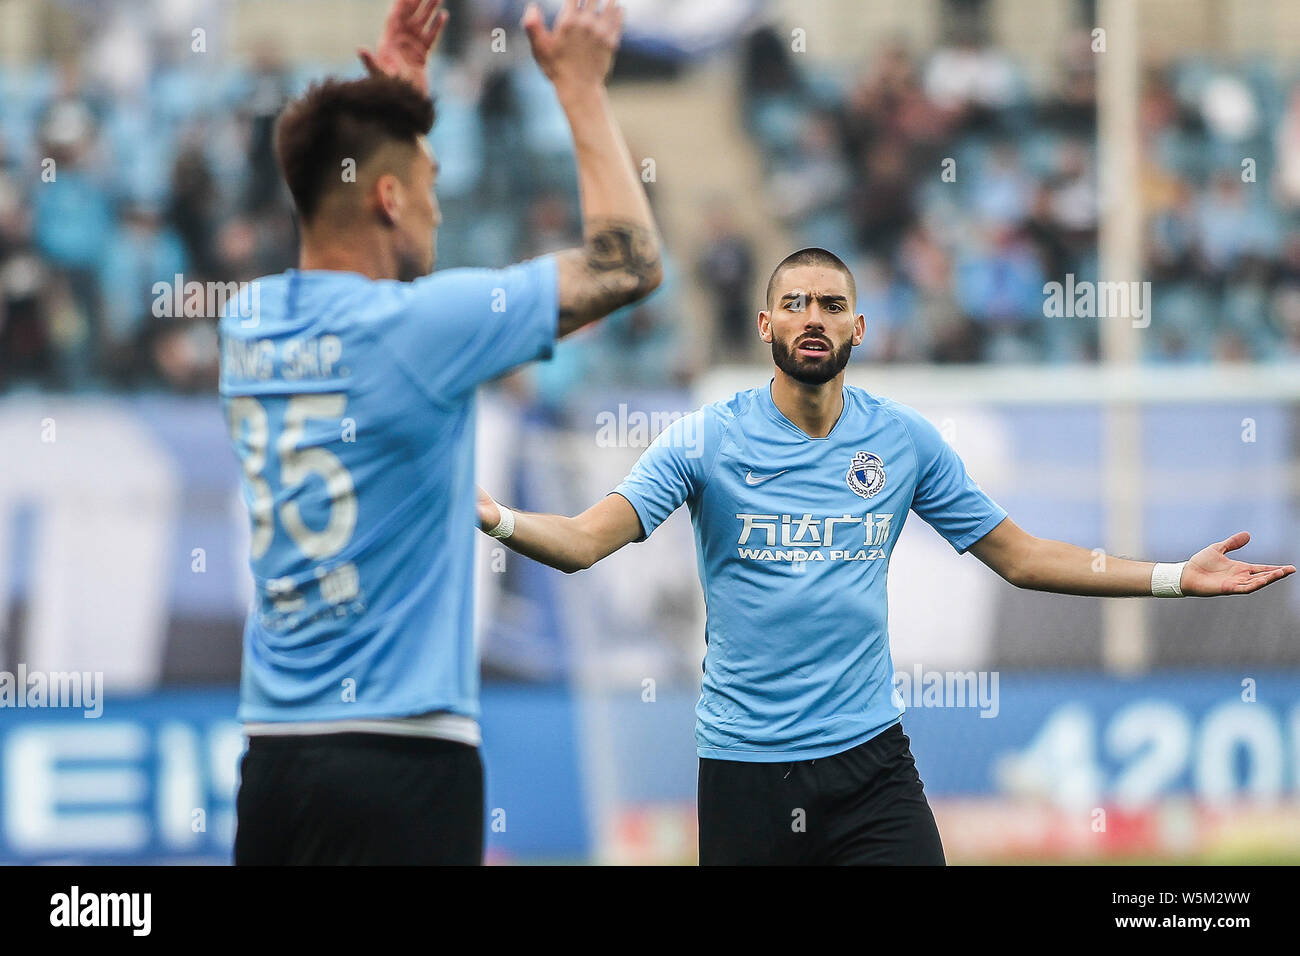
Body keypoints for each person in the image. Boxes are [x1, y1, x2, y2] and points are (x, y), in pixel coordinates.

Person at [475, 246, 1295, 865]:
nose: (812, 318)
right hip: (747, 772)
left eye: (831, 304)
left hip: (872, 763)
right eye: (793, 303)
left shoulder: (901, 441)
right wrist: (495, 516)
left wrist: (1171, 579)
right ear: (765, 326)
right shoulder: (706, 441)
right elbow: (586, 542)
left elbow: (1021, 555)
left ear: (858, 328)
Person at [221, 0, 662, 865]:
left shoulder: (248, 323)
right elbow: (628, 265)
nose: (438, 208)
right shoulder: (425, 330)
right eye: (428, 185)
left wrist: (387, 106)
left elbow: (342, 232)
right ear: (388, 196)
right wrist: (578, 89)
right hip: (405, 762)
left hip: (274, 764)